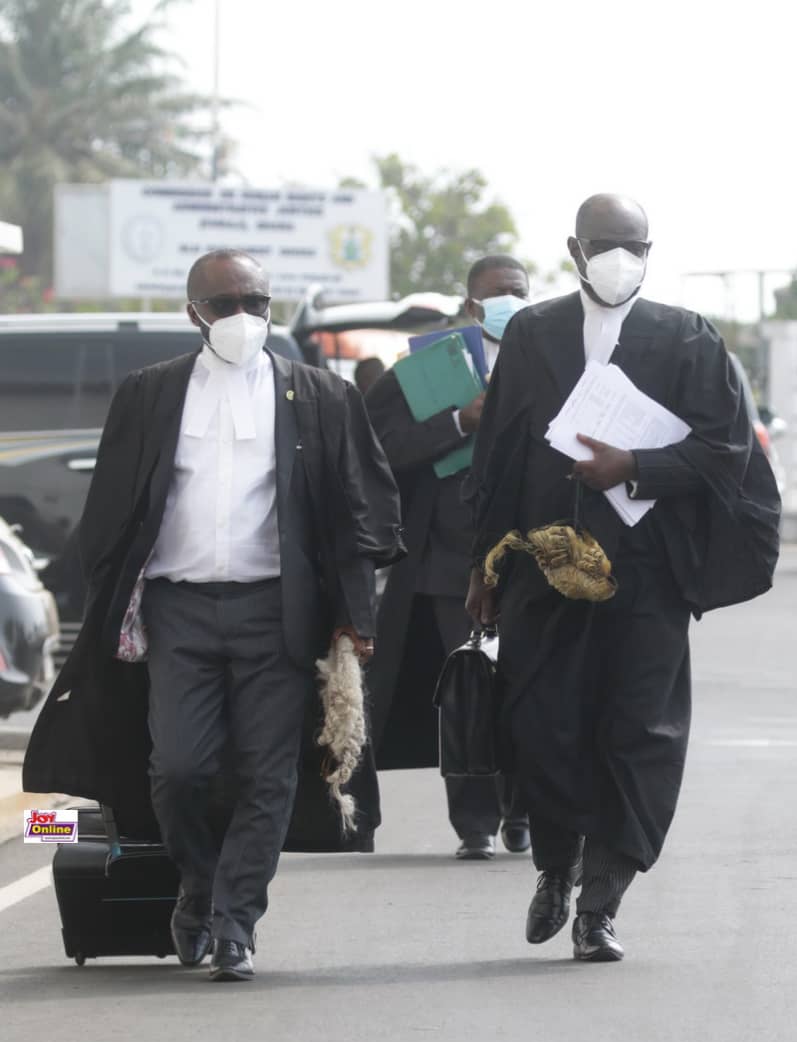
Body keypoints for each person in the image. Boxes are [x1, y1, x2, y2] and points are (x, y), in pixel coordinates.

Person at [23, 249, 404, 982]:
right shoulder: (150, 393)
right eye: (225, 303)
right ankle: (197, 884)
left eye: (256, 302)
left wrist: (353, 617)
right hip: (179, 612)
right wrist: (92, 605)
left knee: (268, 774)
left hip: (276, 612)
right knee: (182, 768)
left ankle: (234, 922)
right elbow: (112, 509)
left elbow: (359, 513)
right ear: (193, 313)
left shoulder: (320, 396)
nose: (243, 318)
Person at [465, 195, 781, 961]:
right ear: (573, 250)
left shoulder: (685, 336)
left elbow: (724, 451)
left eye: (631, 245)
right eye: (604, 244)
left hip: (646, 577)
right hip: (545, 572)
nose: (618, 258)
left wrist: (633, 466)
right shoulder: (536, 333)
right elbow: (499, 459)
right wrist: (483, 567)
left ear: (650, 250)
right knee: (547, 730)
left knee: (638, 736)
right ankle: (555, 866)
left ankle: (600, 904)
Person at [366, 254, 531, 859]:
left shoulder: (550, 357)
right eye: (495, 294)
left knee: (526, 691)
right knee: (467, 696)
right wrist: (460, 420)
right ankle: (476, 825)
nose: (508, 302)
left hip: (530, 556)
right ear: (470, 305)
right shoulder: (426, 369)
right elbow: (379, 448)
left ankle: (523, 810)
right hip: (446, 563)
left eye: (518, 291)